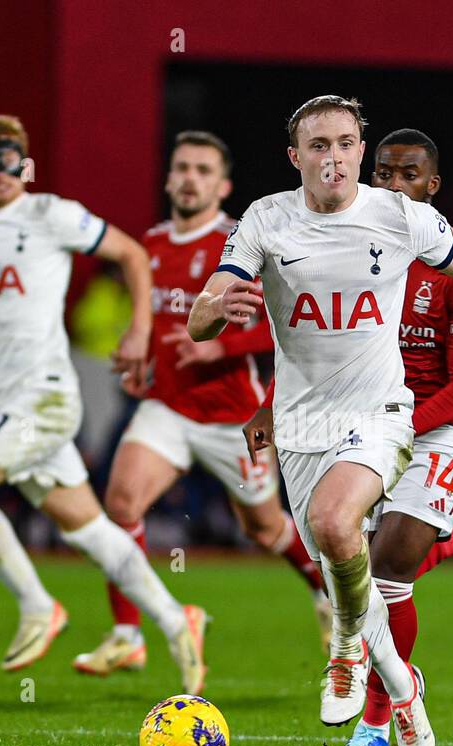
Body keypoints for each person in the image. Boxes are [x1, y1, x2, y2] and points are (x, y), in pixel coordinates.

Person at [190, 95, 453, 746]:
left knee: (342, 529)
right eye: (319, 145)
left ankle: (349, 653)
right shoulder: (266, 218)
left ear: (358, 150)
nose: (335, 158)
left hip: (382, 415)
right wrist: (213, 309)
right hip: (301, 426)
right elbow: (209, 311)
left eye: (346, 143)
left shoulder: (401, 219)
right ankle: (404, 691)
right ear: (297, 158)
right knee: (348, 561)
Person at [0, 114, 206, 684]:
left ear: (25, 166)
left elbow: (133, 255)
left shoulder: (51, 213)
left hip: (45, 400)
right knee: (88, 529)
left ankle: (38, 605)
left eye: (10, 156)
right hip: (6, 405)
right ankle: (175, 617)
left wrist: (139, 330)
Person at [72, 130, 333, 677]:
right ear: (169, 178)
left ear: (223, 185)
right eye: (182, 167)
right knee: (120, 504)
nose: (190, 178)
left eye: (203, 170)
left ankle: (321, 589)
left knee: (263, 528)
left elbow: (292, 325)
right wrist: (135, 345)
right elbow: (153, 321)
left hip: (231, 414)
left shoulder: (245, 242)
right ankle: (126, 634)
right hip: (167, 406)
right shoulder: (149, 246)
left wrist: (223, 345)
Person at [331, 127, 453, 746]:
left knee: (387, 575)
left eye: (407, 174)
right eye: (382, 172)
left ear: (432, 185)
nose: (391, 185)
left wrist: (397, 428)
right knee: (352, 565)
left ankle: (380, 719)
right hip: (375, 421)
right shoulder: (350, 249)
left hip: (444, 425)